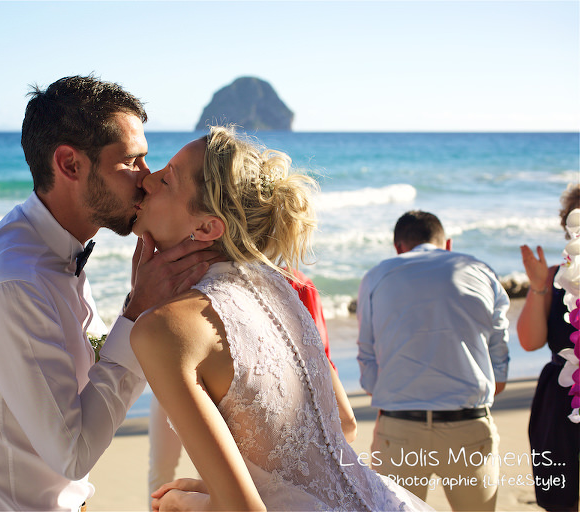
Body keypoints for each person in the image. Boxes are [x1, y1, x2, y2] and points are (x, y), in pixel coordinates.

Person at [0, 75, 218, 511]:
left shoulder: (51, 250)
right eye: (131, 162)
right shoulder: (14, 283)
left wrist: (136, 307)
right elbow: (72, 453)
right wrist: (140, 313)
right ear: (70, 164)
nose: (146, 179)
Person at [131, 126, 429, 511]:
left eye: (167, 178)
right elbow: (343, 422)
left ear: (206, 227)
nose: (147, 179)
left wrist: (191, 504)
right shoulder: (277, 285)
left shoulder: (164, 328)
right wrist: (234, 485)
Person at [357, 210, 510, 511]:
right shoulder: (481, 271)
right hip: (468, 425)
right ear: (447, 244)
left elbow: (367, 355)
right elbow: (500, 367)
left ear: (398, 246)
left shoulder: (377, 275)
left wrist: (395, 395)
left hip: (400, 429)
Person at [145, 269, 340, 505]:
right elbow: (321, 361)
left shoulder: (293, 285)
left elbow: (318, 355)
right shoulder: (186, 271)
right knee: (176, 473)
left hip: (221, 386)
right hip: (186, 378)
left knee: (190, 477)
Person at [517, 183, 579, 512]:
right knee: (560, 501)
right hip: (558, 397)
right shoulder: (555, 277)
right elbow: (529, 341)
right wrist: (539, 288)